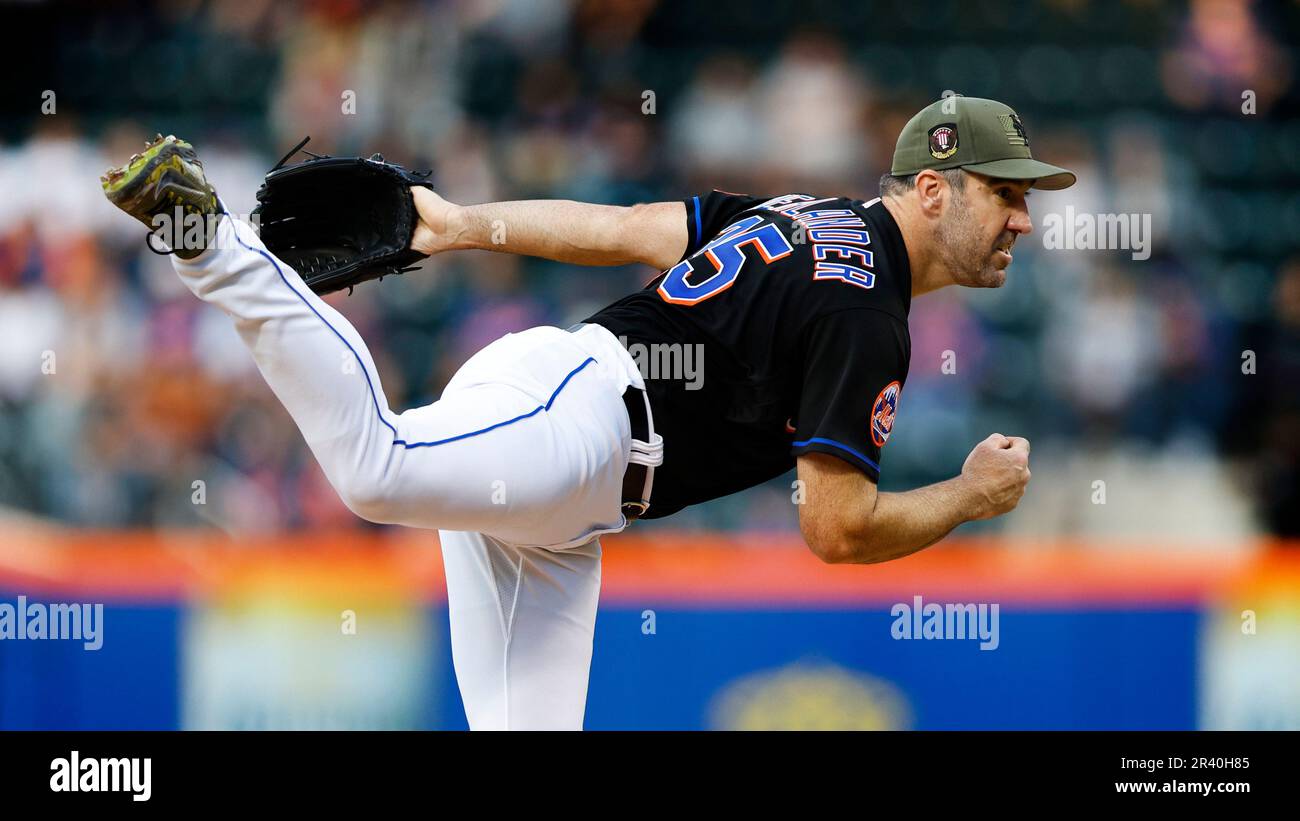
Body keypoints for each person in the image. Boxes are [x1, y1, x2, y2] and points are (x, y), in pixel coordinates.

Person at [101, 96, 1075, 730]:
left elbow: (623, 231)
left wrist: (464, 224)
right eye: (1007, 192)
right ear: (937, 188)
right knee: (375, 471)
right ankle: (211, 240)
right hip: (579, 418)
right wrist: (966, 495)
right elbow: (835, 528)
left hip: (569, 495)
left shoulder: (800, 213)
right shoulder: (865, 314)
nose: (1024, 218)